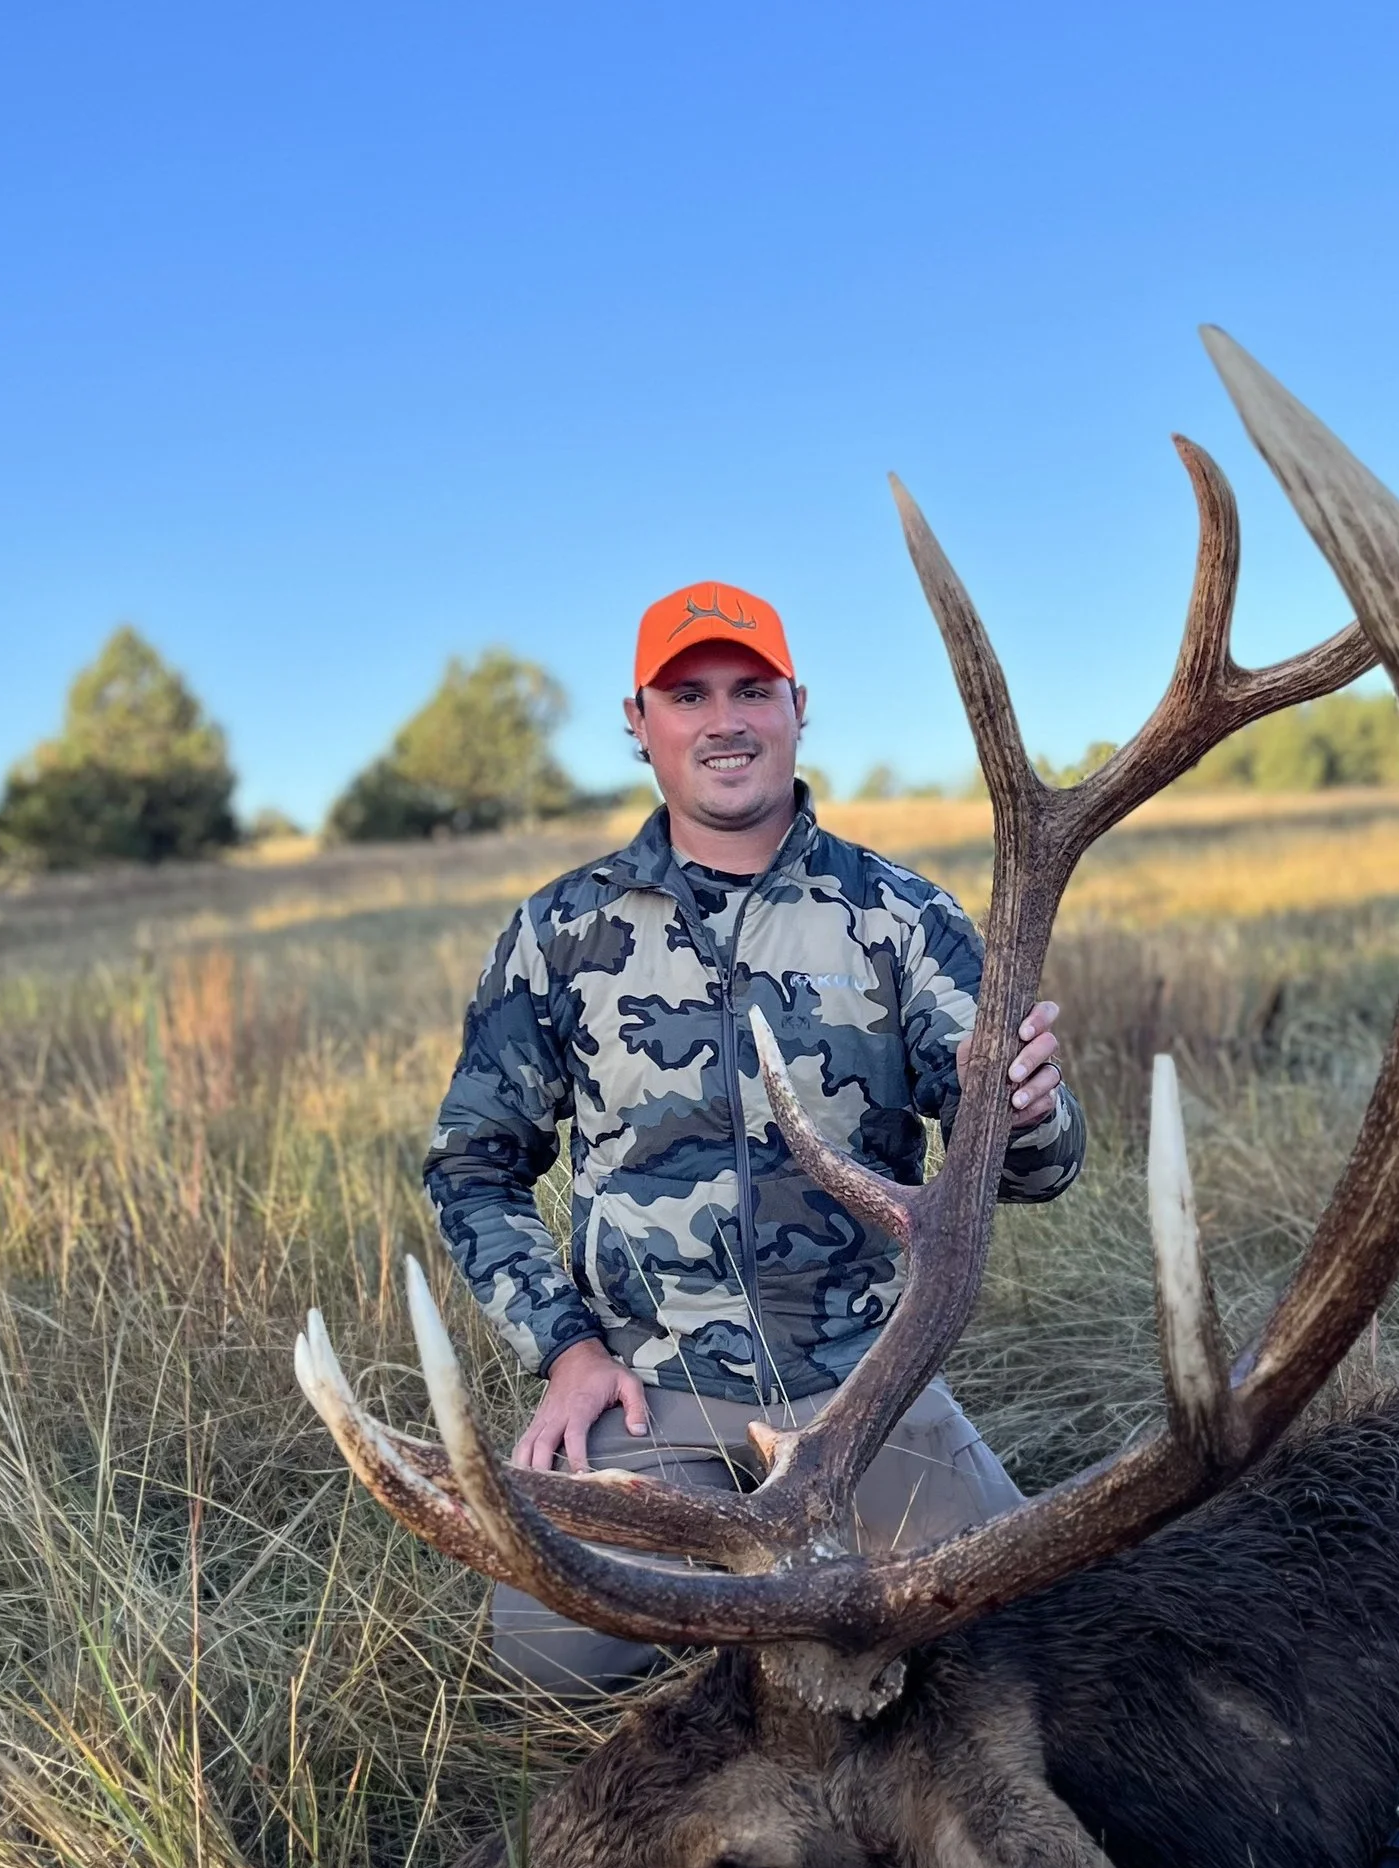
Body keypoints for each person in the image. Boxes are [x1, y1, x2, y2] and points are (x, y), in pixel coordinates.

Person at [425, 578, 1083, 1686]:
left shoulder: (901, 916)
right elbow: (472, 1169)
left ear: (796, 705)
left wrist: (1023, 1111)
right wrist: (567, 1351)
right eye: (686, 695)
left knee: (1039, 1640)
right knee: (544, 1661)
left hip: (865, 1387)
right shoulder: (561, 933)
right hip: (653, 1388)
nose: (722, 719)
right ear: (639, 723)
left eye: (750, 689)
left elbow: (1038, 1171)